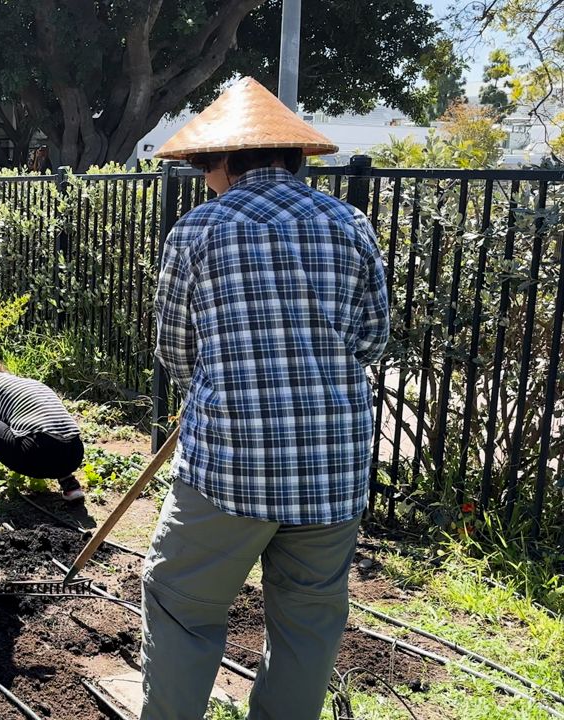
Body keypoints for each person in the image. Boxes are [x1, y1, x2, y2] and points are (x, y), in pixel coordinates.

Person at [141, 77, 391, 719]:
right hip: (334, 467)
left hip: (228, 466)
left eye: (205, 169)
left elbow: (177, 354)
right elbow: (369, 341)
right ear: (293, 157)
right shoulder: (351, 224)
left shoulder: (196, 232)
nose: (205, 181)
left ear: (224, 160)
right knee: (307, 628)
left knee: (180, 607)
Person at [0, 356, 86, 516]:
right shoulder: (30, 383)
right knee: (45, 427)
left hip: (34, 453)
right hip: (74, 454)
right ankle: (70, 484)